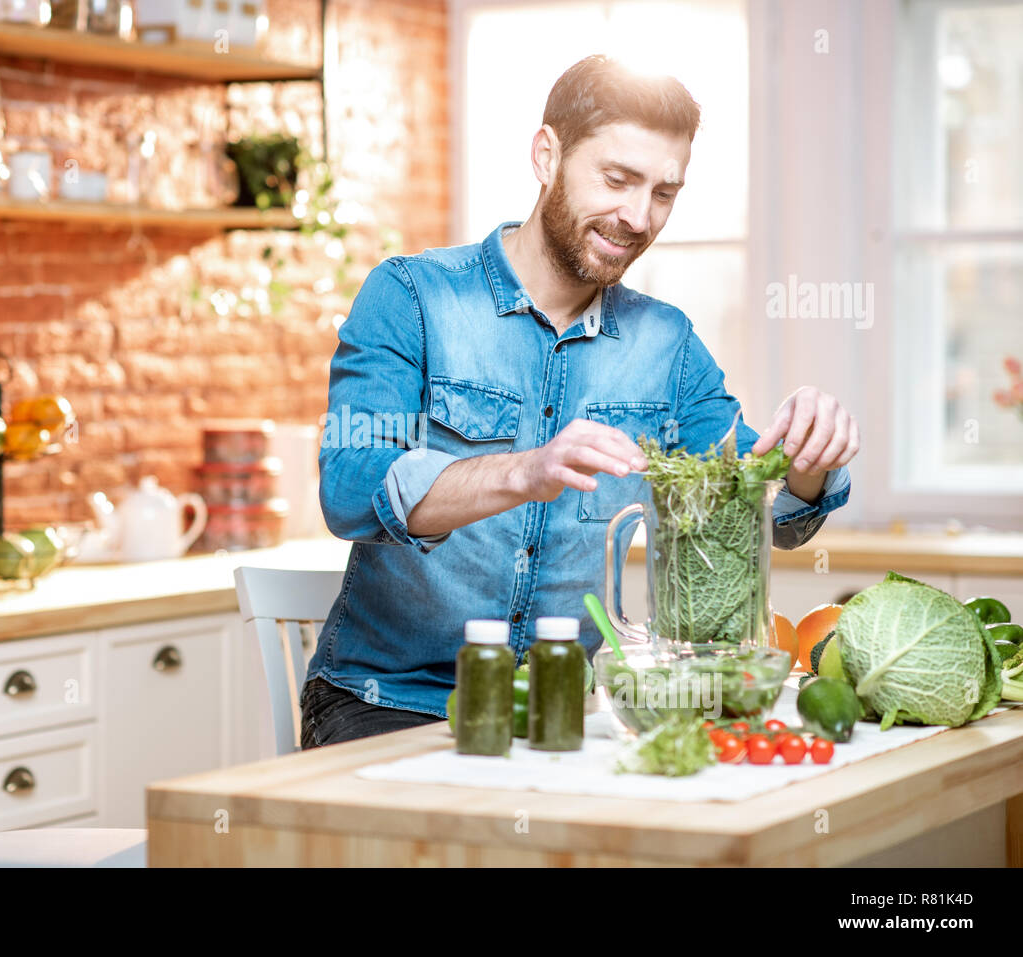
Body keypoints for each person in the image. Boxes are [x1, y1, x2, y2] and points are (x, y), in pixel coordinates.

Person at [300, 55, 858, 749]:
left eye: (663, 192)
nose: (637, 216)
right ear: (547, 155)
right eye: (617, 179)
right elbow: (351, 486)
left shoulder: (666, 343)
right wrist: (522, 471)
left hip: (569, 704)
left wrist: (808, 456)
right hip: (395, 703)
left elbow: (759, 508)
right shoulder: (413, 297)